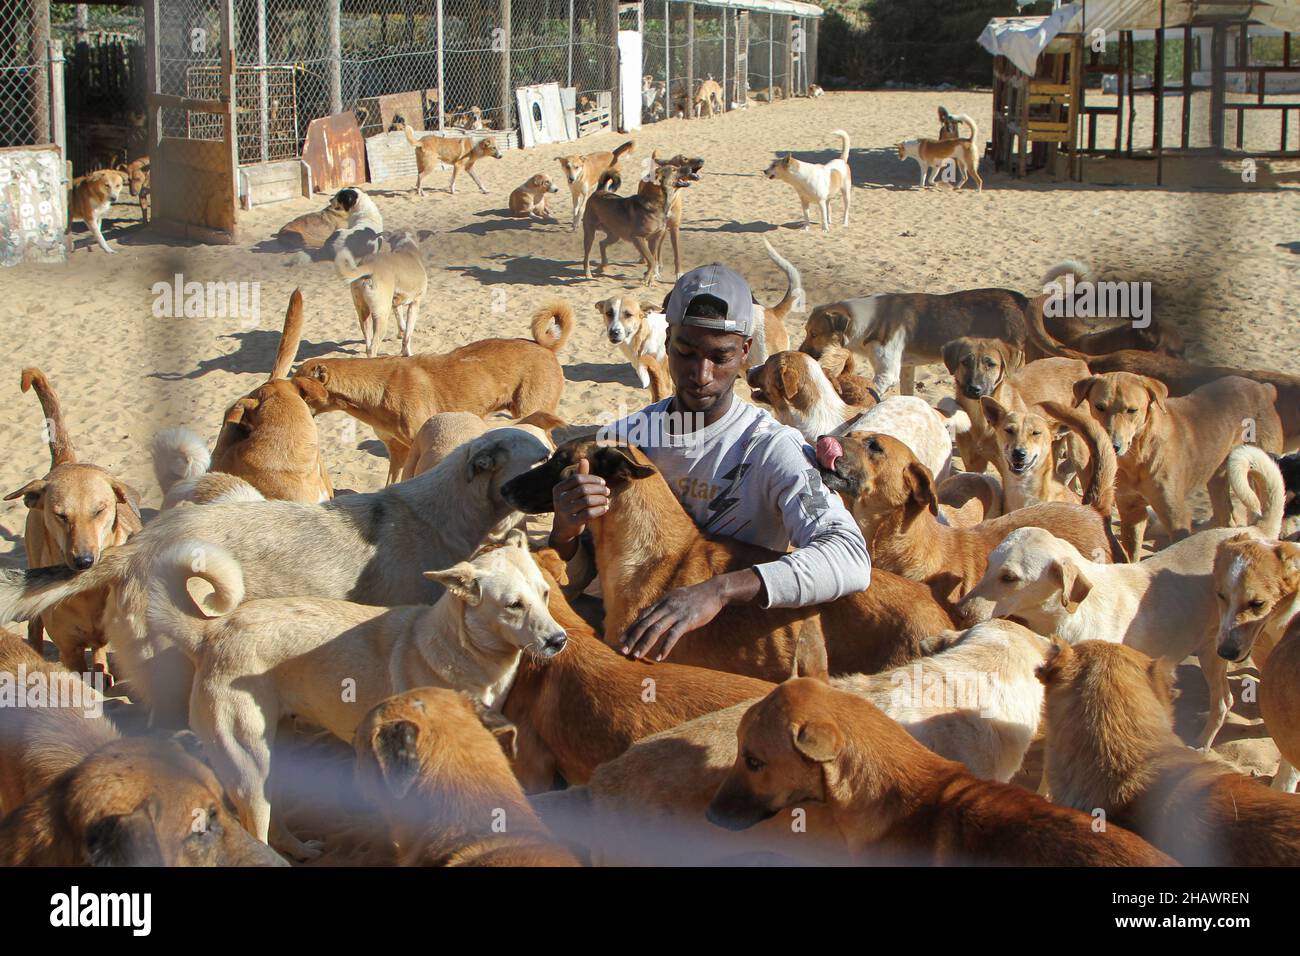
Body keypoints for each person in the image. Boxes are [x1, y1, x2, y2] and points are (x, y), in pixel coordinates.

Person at [549, 263, 871, 663]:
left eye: (721, 356)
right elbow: (582, 576)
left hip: (728, 648)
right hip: (625, 631)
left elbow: (849, 557)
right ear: (666, 344)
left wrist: (717, 590)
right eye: (686, 353)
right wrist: (565, 531)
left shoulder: (771, 448)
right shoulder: (625, 441)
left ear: (746, 352)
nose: (701, 374)